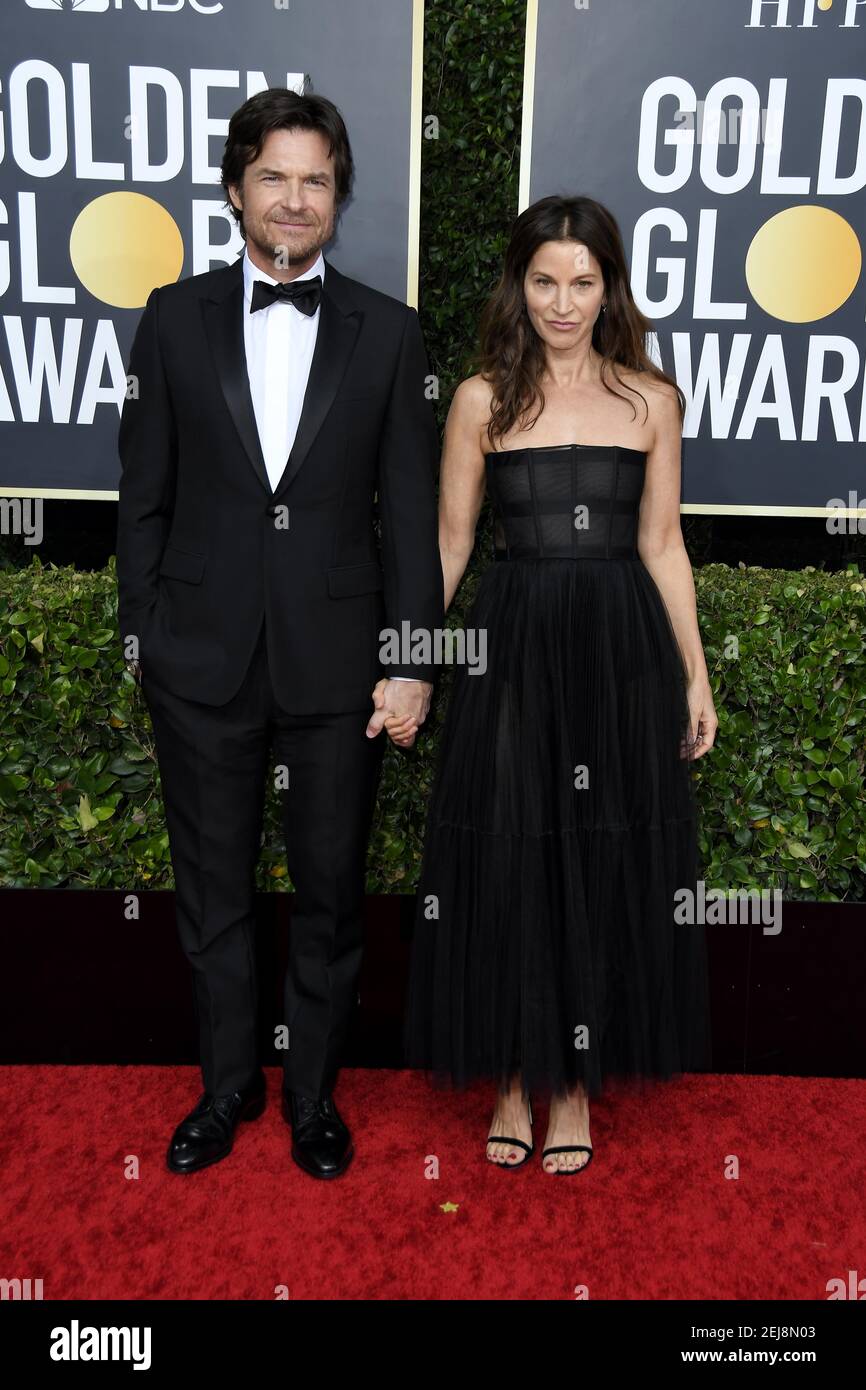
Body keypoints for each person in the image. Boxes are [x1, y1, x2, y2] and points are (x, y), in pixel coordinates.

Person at [116, 89, 442, 1180]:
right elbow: (142, 496)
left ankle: (310, 1097)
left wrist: (409, 659)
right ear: (234, 188)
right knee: (210, 893)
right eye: (274, 177)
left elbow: (408, 514)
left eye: (315, 180)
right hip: (199, 660)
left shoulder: (388, 333)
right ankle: (223, 1089)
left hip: (338, 666)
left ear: (337, 197)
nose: (295, 200)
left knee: (329, 890)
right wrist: (145, 632)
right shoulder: (172, 316)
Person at [398, 194, 716, 1175]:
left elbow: (661, 544)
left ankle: (572, 1085)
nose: (563, 301)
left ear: (608, 287)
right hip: (513, 647)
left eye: (583, 281)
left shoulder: (649, 399)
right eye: (545, 280)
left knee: (596, 864)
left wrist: (694, 675)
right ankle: (505, 1074)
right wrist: (407, 655)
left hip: (619, 650)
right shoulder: (479, 401)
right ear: (518, 284)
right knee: (505, 863)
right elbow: (450, 545)